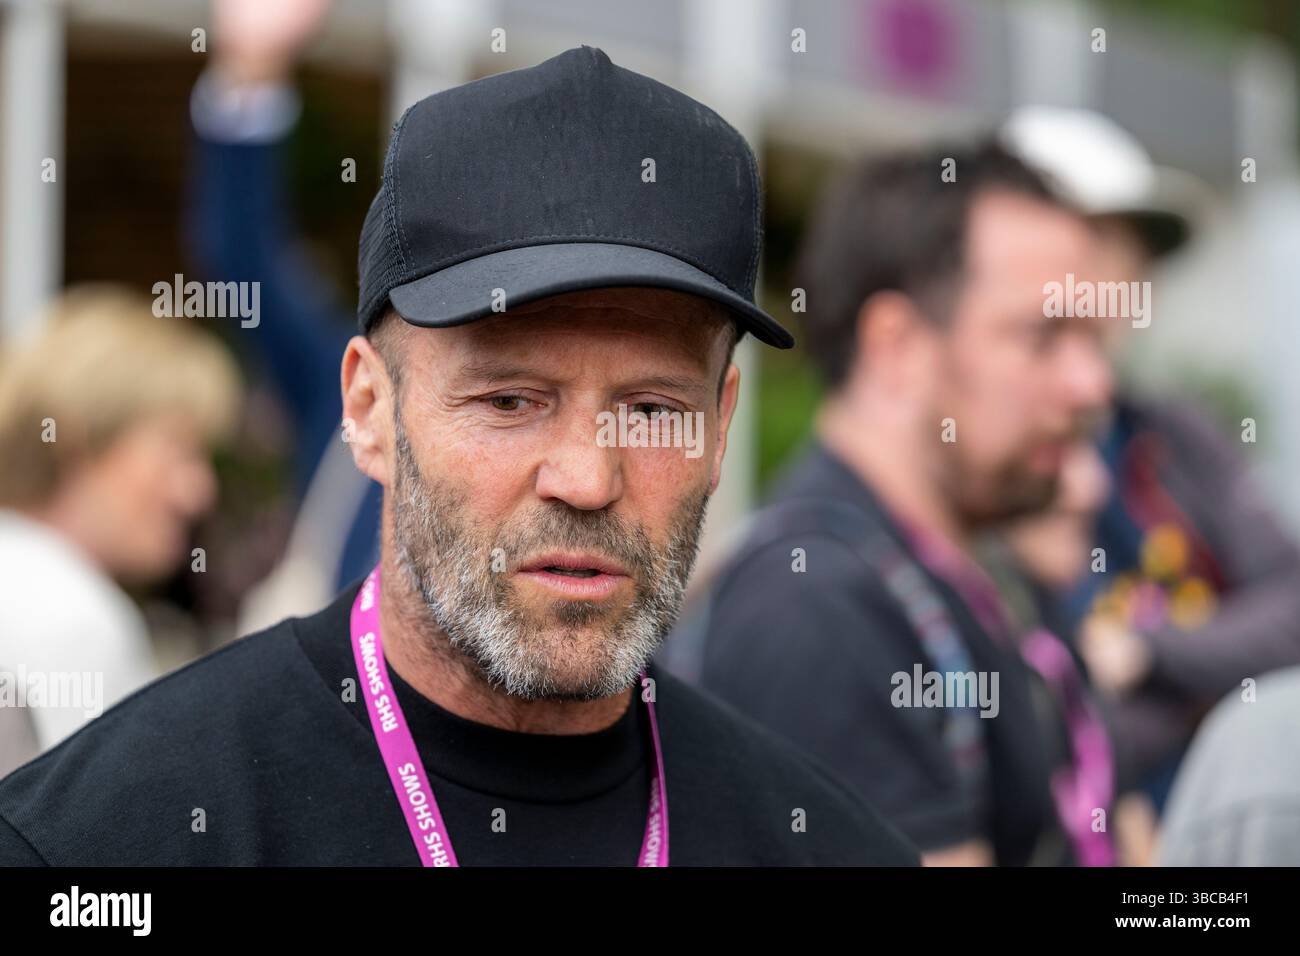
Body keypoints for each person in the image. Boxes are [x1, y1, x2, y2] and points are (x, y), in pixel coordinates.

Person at [0, 46, 917, 866]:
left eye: (649, 409)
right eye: (509, 401)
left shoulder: (829, 844)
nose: (587, 479)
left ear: (719, 427)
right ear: (368, 409)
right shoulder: (105, 837)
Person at [663, 140, 1115, 865]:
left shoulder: (976, 562)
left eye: (1094, 340)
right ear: (896, 346)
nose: (1091, 385)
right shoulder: (817, 607)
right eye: (1043, 337)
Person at [1001, 107, 1300, 815]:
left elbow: (1292, 608)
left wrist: (1151, 651)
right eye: (1106, 244)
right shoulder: (979, 465)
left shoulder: (1174, 436)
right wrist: (1208, 689)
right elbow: (1032, 739)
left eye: (1140, 254)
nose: (1132, 280)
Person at [0, 286, 240, 772]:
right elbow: (94, 841)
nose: (199, 491)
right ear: (77, 441)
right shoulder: (70, 616)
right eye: (178, 450)